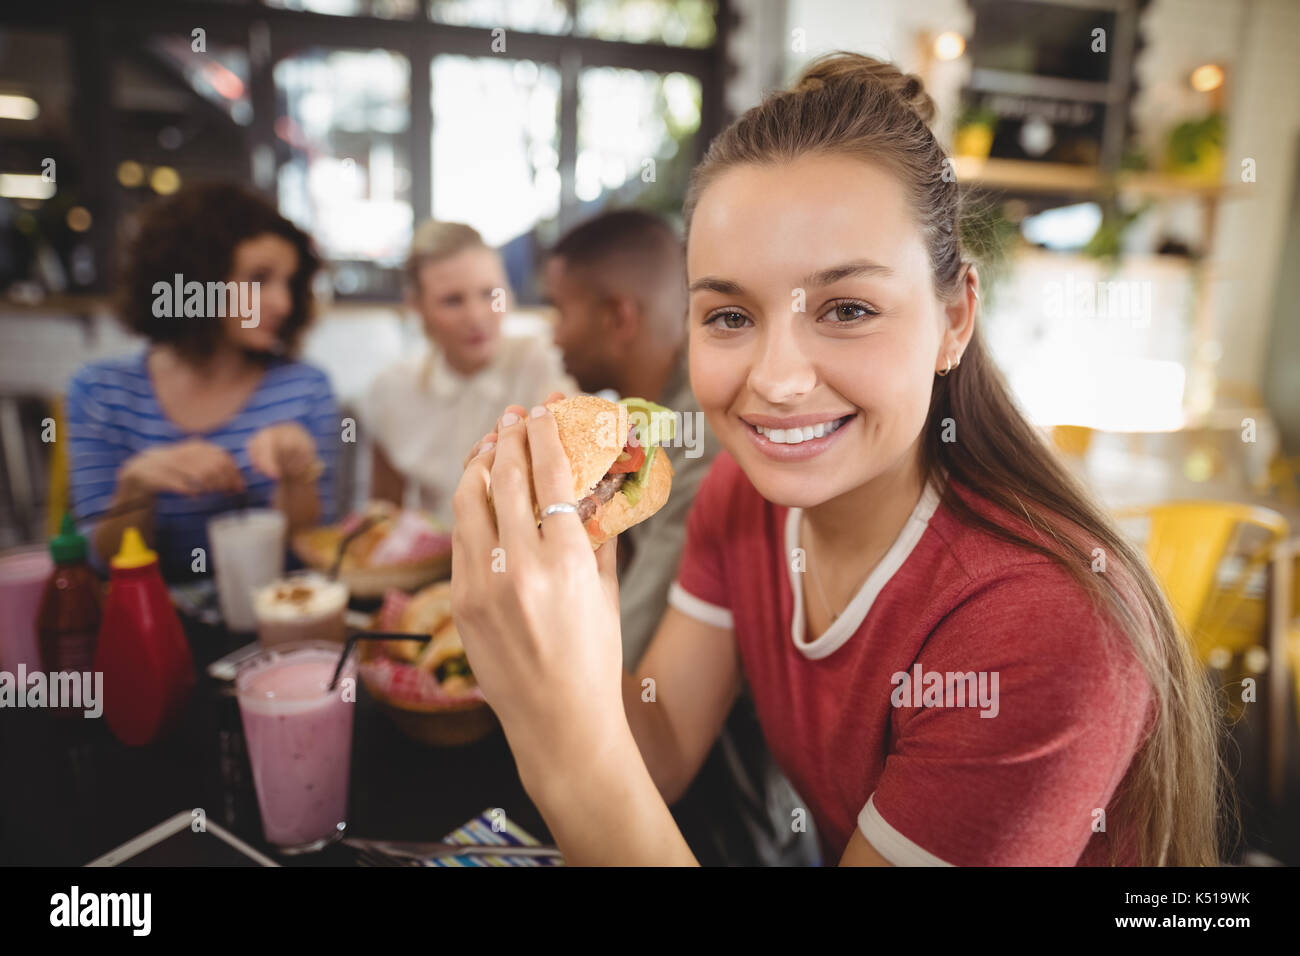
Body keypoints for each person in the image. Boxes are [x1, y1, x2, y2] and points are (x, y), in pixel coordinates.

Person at [449, 53, 1225, 866]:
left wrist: (566, 740)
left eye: (847, 308)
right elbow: (657, 749)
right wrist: (559, 630)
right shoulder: (739, 502)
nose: (777, 380)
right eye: (728, 315)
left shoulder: (1046, 631)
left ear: (954, 317)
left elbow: (597, 773)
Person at [543, 209, 819, 865]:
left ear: (620, 316)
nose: (552, 336)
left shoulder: (700, 446)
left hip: (745, 820)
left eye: (558, 310)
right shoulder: (642, 434)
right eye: (726, 318)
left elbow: (626, 670)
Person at [66, 182, 339, 581]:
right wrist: (136, 486)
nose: (283, 303)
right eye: (259, 279)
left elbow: (310, 548)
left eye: (289, 283)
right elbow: (104, 560)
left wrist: (297, 476)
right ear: (194, 281)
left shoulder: (305, 388)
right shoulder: (101, 392)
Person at [362, 221, 574, 527]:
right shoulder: (391, 391)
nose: (476, 317)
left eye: (489, 294)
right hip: (435, 567)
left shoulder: (550, 363)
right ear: (417, 307)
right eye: (452, 300)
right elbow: (384, 518)